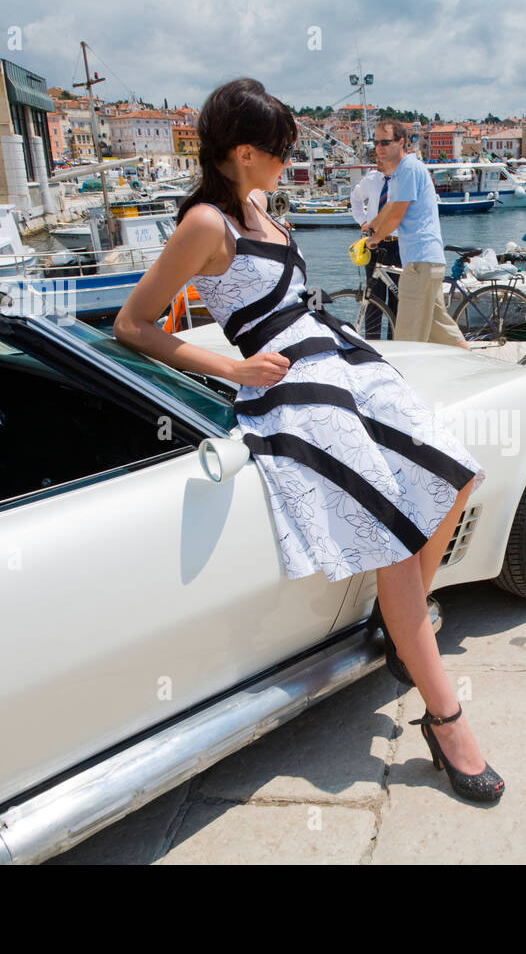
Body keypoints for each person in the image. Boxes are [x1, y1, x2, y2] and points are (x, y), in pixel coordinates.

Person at [112, 79, 503, 802]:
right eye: (281, 152)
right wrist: (233, 368)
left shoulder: (256, 205)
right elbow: (133, 325)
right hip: (284, 381)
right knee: (390, 527)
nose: (290, 162)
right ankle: (446, 718)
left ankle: (401, 626)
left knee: (458, 472)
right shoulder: (205, 224)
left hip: (337, 354)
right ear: (243, 151)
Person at [362, 120, 468, 349]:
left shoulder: (408, 168)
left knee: (407, 339)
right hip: (425, 261)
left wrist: (375, 239)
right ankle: (479, 368)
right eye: (376, 142)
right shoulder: (403, 172)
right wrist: (373, 223)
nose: (379, 147)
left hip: (420, 262)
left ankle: (407, 382)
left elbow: (396, 215)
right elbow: (391, 205)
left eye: (385, 142)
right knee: (443, 333)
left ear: (401, 142)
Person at [349, 149, 401, 338]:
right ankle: (373, 344)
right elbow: (355, 198)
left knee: (398, 300)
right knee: (373, 298)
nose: (378, 161)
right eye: (377, 158)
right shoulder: (371, 179)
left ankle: (395, 344)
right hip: (374, 244)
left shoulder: (401, 180)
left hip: (399, 245)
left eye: (382, 157)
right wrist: (362, 222)